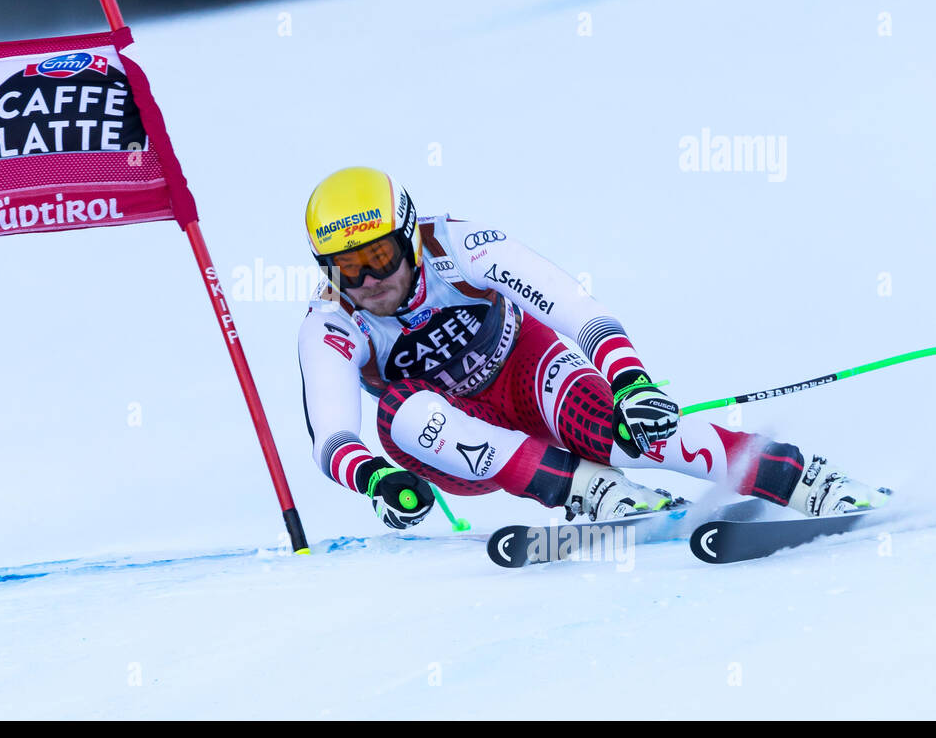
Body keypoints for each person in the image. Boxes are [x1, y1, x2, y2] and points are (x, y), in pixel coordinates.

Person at [297, 166, 889, 529]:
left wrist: (631, 381)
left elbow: (576, 310)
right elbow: (333, 438)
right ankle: (588, 489)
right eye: (347, 267)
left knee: (629, 429)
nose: (369, 281)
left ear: (409, 240)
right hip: (457, 444)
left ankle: (804, 479)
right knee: (399, 409)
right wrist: (375, 480)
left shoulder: (458, 244)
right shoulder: (330, 320)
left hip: (527, 370)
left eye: (379, 256)